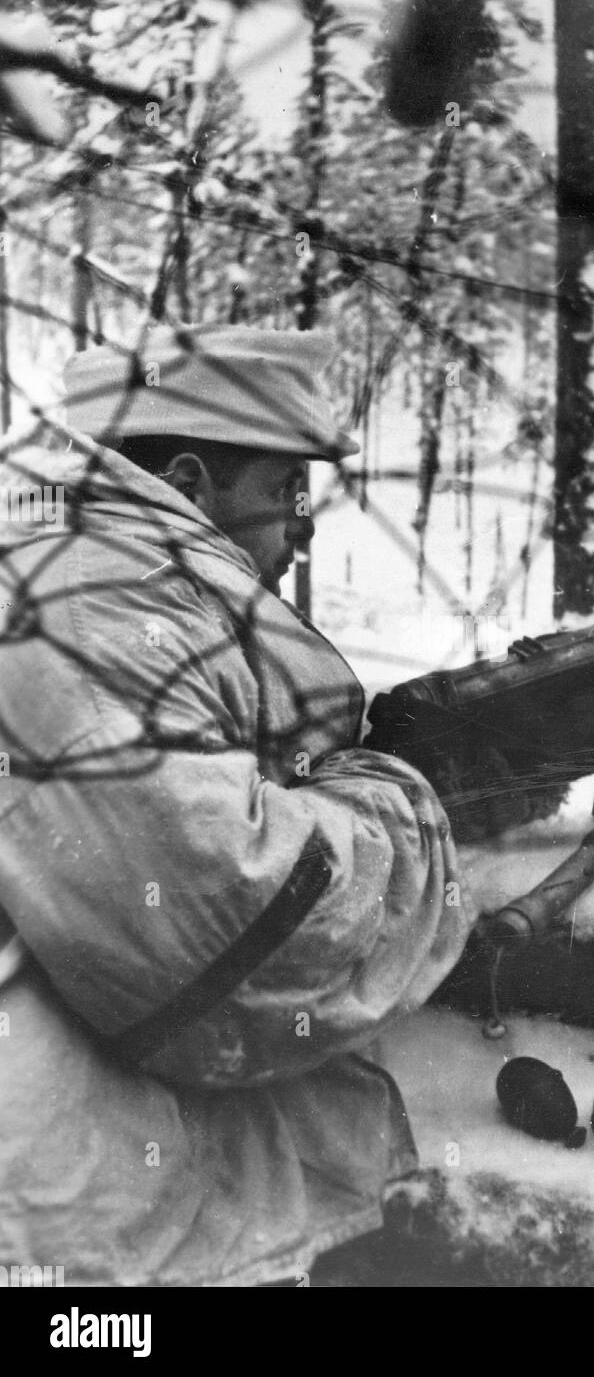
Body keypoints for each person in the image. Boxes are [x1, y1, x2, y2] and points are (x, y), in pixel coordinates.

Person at [0, 325, 477, 1286]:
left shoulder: (67, 563)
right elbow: (224, 921)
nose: (304, 526)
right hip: (79, 1216)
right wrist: (404, 803)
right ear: (186, 479)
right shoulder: (95, 607)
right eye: (286, 493)